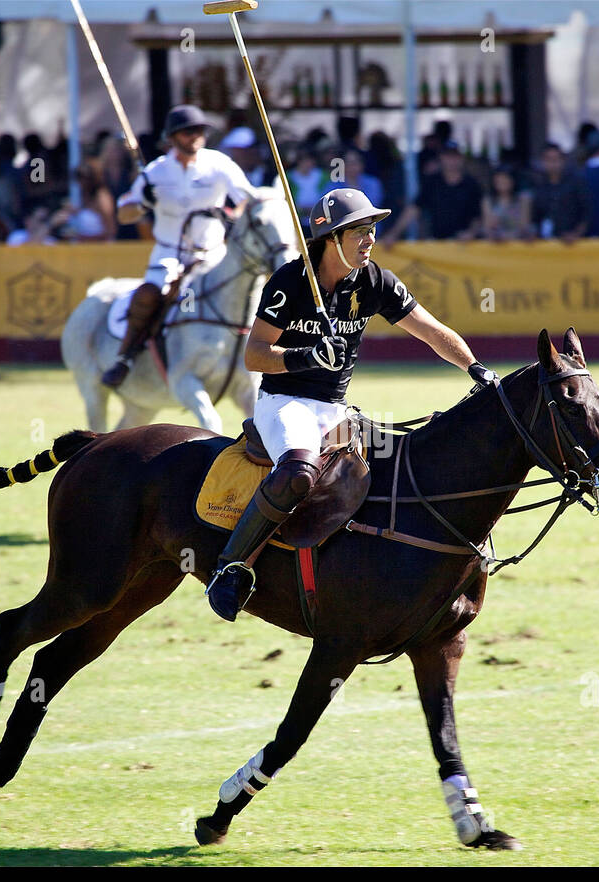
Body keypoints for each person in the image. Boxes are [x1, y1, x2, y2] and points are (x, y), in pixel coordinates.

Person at [205, 188, 500, 621]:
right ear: (332, 237)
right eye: (360, 231)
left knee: (400, 464)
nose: (371, 240)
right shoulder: (289, 282)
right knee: (298, 472)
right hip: (285, 402)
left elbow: (433, 332)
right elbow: (255, 355)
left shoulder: (376, 282)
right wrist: (302, 357)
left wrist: (475, 369)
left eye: (373, 230)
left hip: (336, 408)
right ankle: (230, 568)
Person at [101, 105, 254, 388]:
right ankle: (125, 357)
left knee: (247, 288)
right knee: (150, 294)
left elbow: (247, 198)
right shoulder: (155, 172)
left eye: (200, 130)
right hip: (169, 255)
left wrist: (231, 214)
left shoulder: (220, 164)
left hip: (213, 255)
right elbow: (124, 213)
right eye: (188, 132)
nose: (195, 136)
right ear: (172, 137)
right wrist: (143, 201)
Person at [382, 141, 482, 242]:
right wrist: (394, 233)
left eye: (455, 156)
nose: (452, 161)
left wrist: (471, 233)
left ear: (461, 158)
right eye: (448, 156)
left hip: (465, 245)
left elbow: (478, 215)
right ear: (441, 158)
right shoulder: (432, 182)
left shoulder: (472, 184)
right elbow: (414, 209)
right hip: (437, 243)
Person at [531, 143, 591, 243]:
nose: (552, 164)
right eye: (548, 160)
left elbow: (587, 213)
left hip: (573, 244)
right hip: (546, 244)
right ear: (542, 162)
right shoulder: (539, 187)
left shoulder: (576, 183)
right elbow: (535, 218)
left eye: (555, 160)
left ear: (563, 161)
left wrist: (576, 234)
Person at [481, 166, 533, 240]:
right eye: (499, 179)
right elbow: (487, 228)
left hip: (518, 246)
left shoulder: (523, 200)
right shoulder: (488, 201)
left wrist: (506, 236)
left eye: (505, 178)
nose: (502, 182)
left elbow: (525, 226)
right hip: (495, 247)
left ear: (513, 180)